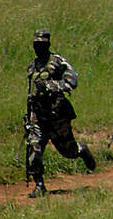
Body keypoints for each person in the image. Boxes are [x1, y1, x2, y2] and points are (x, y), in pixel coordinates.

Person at [24, 29, 95, 197]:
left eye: (41, 45)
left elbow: (72, 81)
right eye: (36, 45)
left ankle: (81, 150)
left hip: (57, 115)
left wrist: (51, 86)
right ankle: (39, 185)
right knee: (35, 148)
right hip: (38, 116)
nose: (38, 48)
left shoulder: (58, 62)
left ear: (48, 45)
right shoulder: (32, 66)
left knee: (67, 151)